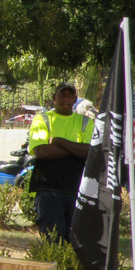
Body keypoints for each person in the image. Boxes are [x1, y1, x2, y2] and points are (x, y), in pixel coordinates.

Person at [27, 82, 95, 241]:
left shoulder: (85, 122)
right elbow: (41, 151)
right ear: (54, 98)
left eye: (70, 95)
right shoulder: (42, 119)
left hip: (76, 190)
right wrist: (75, 149)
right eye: (62, 95)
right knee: (52, 241)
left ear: (75, 99)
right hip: (48, 191)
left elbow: (89, 153)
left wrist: (58, 141)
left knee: (76, 241)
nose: (66, 98)